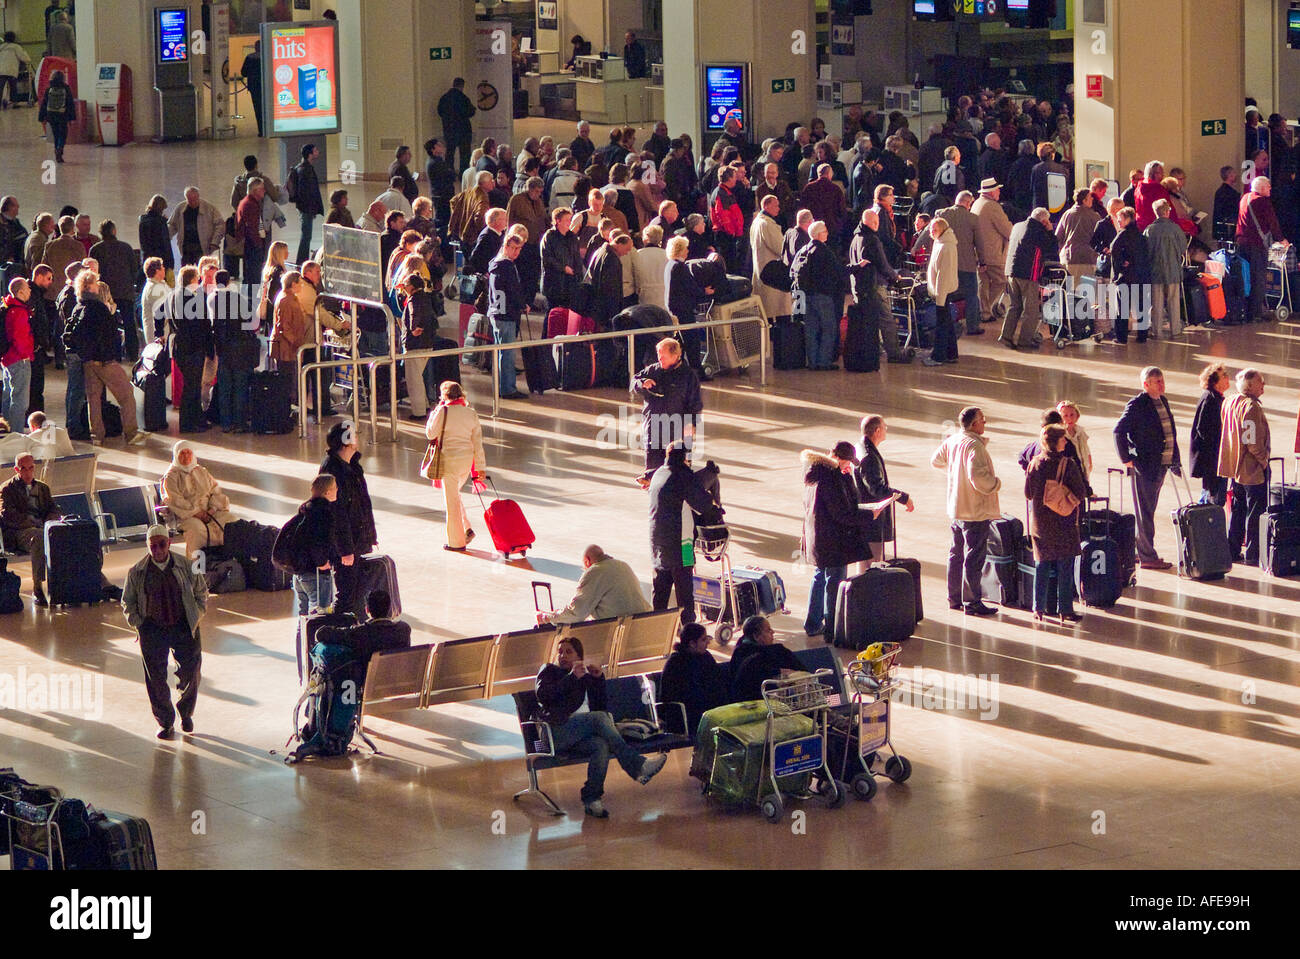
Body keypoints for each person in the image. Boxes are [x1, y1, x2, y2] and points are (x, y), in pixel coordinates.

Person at [534, 636, 667, 818]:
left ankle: (592, 799)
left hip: (579, 736)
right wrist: (572, 678)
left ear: (579, 657)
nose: (562, 656)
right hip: (555, 733)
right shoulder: (549, 671)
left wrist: (597, 681)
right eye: (560, 652)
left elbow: (601, 709)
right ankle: (637, 766)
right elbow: (544, 695)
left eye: (568, 652)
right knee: (598, 719)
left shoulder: (584, 679)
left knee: (601, 746)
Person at [121, 525, 207, 741]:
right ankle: (165, 722)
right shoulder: (137, 572)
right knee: (155, 678)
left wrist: (195, 616)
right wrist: (138, 623)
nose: (158, 550)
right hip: (152, 628)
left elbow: (201, 593)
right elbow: (128, 601)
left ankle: (186, 712)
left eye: (161, 545)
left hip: (183, 626)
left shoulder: (186, 566)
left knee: (191, 673)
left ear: (169, 544)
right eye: (153, 546)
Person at [801, 441, 894, 638]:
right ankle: (832, 627)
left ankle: (812, 623)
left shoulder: (815, 474)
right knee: (835, 581)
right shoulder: (831, 479)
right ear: (839, 459)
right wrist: (870, 515)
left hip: (818, 538)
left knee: (820, 578)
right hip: (833, 541)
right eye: (848, 462)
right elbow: (842, 514)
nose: (850, 466)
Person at [931, 407, 1001, 616]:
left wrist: (954, 473)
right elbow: (978, 478)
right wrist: (995, 484)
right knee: (974, 556)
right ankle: (971, 602)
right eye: (982, 420)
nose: (985, 422)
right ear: (973, 424)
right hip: (974, 510)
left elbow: (935, 460)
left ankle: (954, 597)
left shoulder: (953, 440)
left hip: (956, 508)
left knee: (956, 554)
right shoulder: (974, 446)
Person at [65, 270, 145, 447]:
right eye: (95, 283)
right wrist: (113, 356)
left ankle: (97, 436)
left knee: (93, 400)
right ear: (90, 286)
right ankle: (131, 432)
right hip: (105, 360)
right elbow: (110, 334)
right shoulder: (99, 308)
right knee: (126, 394)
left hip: (87, 361)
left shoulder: (78, 307)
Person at [1113, 367, 1181, 571]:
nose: (1161, 384)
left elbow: (1169, 431)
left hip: (1161, 464)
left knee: (1148, 510)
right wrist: (1126, 458)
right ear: (1146, 385)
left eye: (1162, 380)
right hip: (1146, 466)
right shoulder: (1138, 404)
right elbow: (1119, 431)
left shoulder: (1163, 400)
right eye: (1156, 381)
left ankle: (1140, 550)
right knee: (1145, 512)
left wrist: (1175, 459)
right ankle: (1147, 555)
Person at [648, 442, 721, 622]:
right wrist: (716, 508)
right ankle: (689, 630)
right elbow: (703, 504)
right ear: (685, 457)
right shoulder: (682, 476)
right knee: (685, 592)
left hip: (657, 542)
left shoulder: (659, 473)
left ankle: (656, 629)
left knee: (661, 591)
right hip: (682, 544)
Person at [1024, 424, 1087, 624]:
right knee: (1064, 567)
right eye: (1062, 439)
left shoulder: (1034, 463)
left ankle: (1038, 608)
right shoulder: (1067, 464)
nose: (1065, 442)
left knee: (1041, 565)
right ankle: (1065, 609)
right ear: (1056, 442)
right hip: (1063, 522)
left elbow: (1028, 492)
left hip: (1040, 522)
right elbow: (1081, 491)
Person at [321, 421, 377, 612]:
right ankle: (340, 632)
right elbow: (336, 514)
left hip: (356, 540)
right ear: (347, 442)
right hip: (344, 547)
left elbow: (361, 505)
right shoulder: (334, 471)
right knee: (346, 597)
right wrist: (345, 549)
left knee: (357, 594)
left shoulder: (352, 466)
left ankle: (356, 632)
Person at [424, 381, 486, 552]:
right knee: (455, 495)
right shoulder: (470, 413)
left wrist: (435, 411)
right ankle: (466, 528)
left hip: (448, 460)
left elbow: (430, 433)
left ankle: (457, 542)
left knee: (451, 501)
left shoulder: (442, 411)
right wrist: (480, 467)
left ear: (444, 396)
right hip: (465, 461)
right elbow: (477, 442)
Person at [632, 338, 703, 488]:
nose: (659, 359)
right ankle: (654, 494)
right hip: (654, 427)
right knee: (653, 469)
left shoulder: (688, 376)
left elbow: (695, 404)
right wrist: (642, 384)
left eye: (663, 356)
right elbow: (634, 381)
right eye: (658, 355)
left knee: (680, 472)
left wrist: (692, 425)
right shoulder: (653, 370)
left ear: (675, 355)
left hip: (678, 431)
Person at [1219, 369, 1271, 566]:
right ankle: (1252, 553)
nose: (1264, 386)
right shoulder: (1251, 407)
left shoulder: (1230, 402)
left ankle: (1232, 549)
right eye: (1261, 382)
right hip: (1252, 468)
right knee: (1255, 511)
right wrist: (1264, 460)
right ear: (1251, 386)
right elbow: (1252, 441)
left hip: (1235, 466)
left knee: (1238, 509)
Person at [284, 473, 352, 616]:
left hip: (300, 573)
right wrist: (321, 562)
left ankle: (301, 639)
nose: (337, 490)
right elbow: (317, 541)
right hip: (315, 574)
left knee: (303, 617)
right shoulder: (324, 512)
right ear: (327, 492)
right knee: (320, 616)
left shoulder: (305, 509)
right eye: (335, 488)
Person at [0, 453, 60, 607]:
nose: (27, 472)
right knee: (40, 538)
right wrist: (31, 522)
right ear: (16, 470)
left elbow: (53, 509)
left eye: (31, 468)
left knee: (66, 536)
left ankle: (72, 583)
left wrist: (48, 522)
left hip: (42, 529)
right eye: (23, 469)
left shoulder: (42, 488)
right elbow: (7, 515)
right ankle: (37, 587)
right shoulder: (7, 489)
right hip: (19, 533)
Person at [854, 415, 914, 570]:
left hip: (864, 519)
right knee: (872, 567)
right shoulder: (869, 457)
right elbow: (877, 489)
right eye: (885, 426)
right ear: (877, 430)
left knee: (865, 566)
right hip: (871, 521)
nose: (886, 429)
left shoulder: (861, 449)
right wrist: (903, 497)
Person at [537, 545, 650, 625]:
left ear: (587, 561)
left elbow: (577, 613)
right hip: (642, 624)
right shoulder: (623, 565)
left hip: (617, 630)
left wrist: (547, 618)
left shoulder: (595, 571)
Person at [162, 441, 236, 560]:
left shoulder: (201, 471)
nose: (186, 456)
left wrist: (212, 509)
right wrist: (196, 513)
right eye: (182, 453)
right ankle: (197, 568)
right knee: (197, 531)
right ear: (176, 455)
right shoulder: (171, 476)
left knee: (231, 521)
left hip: (209, 512)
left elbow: (215, 491)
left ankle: (229, 560)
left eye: (188, 453)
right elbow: (174, 499)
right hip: (186, 516)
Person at [791, 220, 846, 371]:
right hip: (822, 295)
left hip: (805, 295)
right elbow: (836, 272)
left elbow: (792, 271)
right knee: (829, 327)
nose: (827, 233)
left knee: (811, 328)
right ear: (819, 234)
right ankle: (824, 361)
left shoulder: (803, 250)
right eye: (825, 231)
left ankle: (812, 361)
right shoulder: (824, 251)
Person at [1000, 207, 1059, 350]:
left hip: (1011, 271)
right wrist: (1050, 231)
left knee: (1015, 306)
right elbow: (1052, 248)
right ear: (1044, 221)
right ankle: (1025, 342)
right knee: (1031, 311)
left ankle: (1005, 336)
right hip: (1028, 274)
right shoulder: (1037, 230)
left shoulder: (1018, 226)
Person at [660, 622, 729, 736]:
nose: (708, 642)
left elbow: (717, 683)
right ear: (692, 643)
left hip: (709, 712)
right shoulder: (676, 664)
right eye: (703, 640)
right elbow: (681, 696)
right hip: (686, 716)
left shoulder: (705, 657)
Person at [1236, 176, 1287, 323]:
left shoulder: (1245, 198)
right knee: (1258, 278)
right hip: (1256, 245)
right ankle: (1256, 313)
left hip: (1242, 243)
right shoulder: (1262, 201)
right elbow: (1272, 222)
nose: (1270, 188)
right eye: (1268, 186)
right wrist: (1281, 239)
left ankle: (1244, 310)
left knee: (1245, 277)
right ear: (1261, 188)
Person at [486, 234, 527, 400]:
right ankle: (508, 388)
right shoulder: (507, 266)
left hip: (496, 312)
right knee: (507, 353)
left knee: (500, 352)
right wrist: (522, 305)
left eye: (519, 249)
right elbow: (512, 291)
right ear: (506, 247)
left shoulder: (494, 265)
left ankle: (501, 386)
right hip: (506, 314)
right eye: (514, 248)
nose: (516, 252)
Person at [729, 615, 805, 702]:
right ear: (756, 636)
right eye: (768, 630)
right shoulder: (772, 653)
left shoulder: (738, 652)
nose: (773, 632)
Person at [1144, 199, 1187, 339]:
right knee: (1173, 301)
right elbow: (1183, 248)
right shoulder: (1176, 228)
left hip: (1155, 271)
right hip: (1173, 271)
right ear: (1168, 211)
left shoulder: (1150, 230)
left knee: (1156, 302)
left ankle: (1157, 331)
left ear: (1155, 212)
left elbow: (1146, 251)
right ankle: (1175, 330)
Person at [1109, 206, 1151, 343]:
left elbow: (1113, 250)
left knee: (1123, 309)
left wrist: (1121, 264)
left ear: (1127, 219)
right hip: (1142, 276)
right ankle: (1142, 336)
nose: (1118, 221)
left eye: (1120, 219)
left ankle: (1121, 337)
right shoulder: (1141, 235)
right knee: (1142, 307)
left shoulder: (1123, 234)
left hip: (1126, 277)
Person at [1190, 364, 1230, 507]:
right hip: (1212, 460)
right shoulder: (1210, 399)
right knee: (1212, 499)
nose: (1227, 378)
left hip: (1217, 458)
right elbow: (1202, 429)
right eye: (1223, 375)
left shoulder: (1217, 398)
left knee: (1216, 497)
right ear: (1214, 381)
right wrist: (1219, 446)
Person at [924, 217, 960, 367]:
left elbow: (943, 275)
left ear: (943, 230)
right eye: (931, 229)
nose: (932, 232)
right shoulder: (941, 242)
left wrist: (939, 298)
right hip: (942, 290)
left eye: (935, 229)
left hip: (942, 291)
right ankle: (951, 354)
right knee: (948, 323)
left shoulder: (946, 247)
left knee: (941, 325)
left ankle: (938, 356)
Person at [2, 278, 36, 427]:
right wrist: (25, 355)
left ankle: (7, 427)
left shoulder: (8, 307)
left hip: (7, 357)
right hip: (19, 359)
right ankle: (16, 434)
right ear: (20, 291)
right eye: (27, 288)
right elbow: (19, 337)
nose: (30, 290)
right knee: (20, 400)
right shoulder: (19, 312)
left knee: (8, 394)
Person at [286, 144, 324, 266]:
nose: (318, 151)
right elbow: (305, 192)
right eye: (315, 150)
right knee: (306, 236)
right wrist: (311, 208)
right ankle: (301, 261)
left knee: (306, 235)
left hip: (306, 208)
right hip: (306, 208)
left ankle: (302, 260)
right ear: (310, 154)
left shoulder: (303, 168)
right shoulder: (305, 170)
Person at [437, 79, 476, 175]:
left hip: (449, 129)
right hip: (463, 130)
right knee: (465, 153)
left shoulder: (444, 98)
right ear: (462, 86)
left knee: (450, 152)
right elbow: (471, 111)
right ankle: (463, 173)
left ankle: (449, 173)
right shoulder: (463, 98)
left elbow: (440, 111)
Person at [37, 69, 75, 163]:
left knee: (56, 134)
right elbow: (70, 103)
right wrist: (71, 117)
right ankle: (59, 149)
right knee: (63, 134)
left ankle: (56, 149)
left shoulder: (49, 88)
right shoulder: (66, 88)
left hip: (51, 114)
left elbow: (44, 103)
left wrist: (41, 117)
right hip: (62, 114)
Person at [0, 31, 33, 109]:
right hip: (11, 70)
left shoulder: (1, 47)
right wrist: (28, 60)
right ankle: (14, 102)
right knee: (13, 86)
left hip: (1, 70)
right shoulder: (16, 47)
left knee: (1, 87)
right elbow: (25, 58)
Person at [241, 41, 264, 137]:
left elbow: (243, 72)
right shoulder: (267, 56)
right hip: (265, 86)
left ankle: (261, 130)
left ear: (255, 48)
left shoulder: (250, 58)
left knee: (257, 108)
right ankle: (268, 128)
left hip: (254, 86)